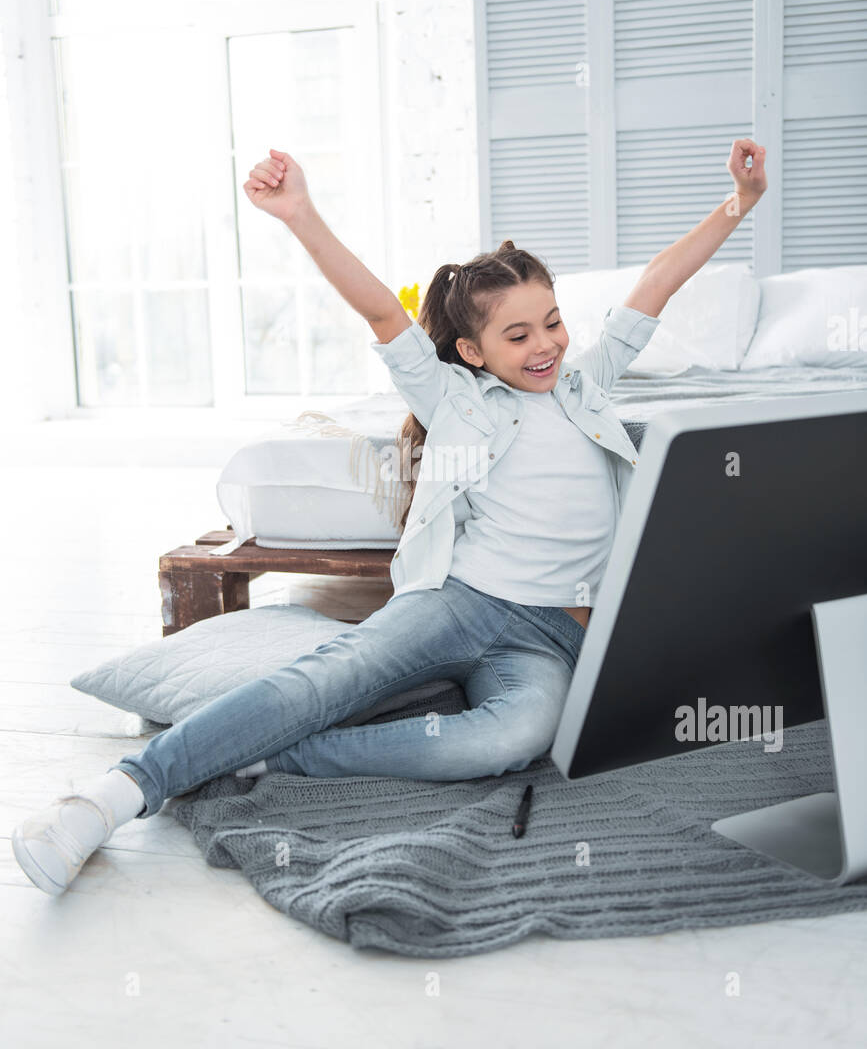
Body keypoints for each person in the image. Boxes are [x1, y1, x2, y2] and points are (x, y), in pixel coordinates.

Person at [12, 140, 767, 895]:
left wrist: (741, 200)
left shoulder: (587, 386)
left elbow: (658, 281)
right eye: (518, 334)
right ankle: (112, 796)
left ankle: (272, 757)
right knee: (325, 680)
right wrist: (300, 215)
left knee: (513, 738)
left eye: (552, 323)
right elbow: (379, 307)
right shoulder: (455, 400)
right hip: (461, 604)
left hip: (554, 635)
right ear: (471, 351)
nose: (545, 345)